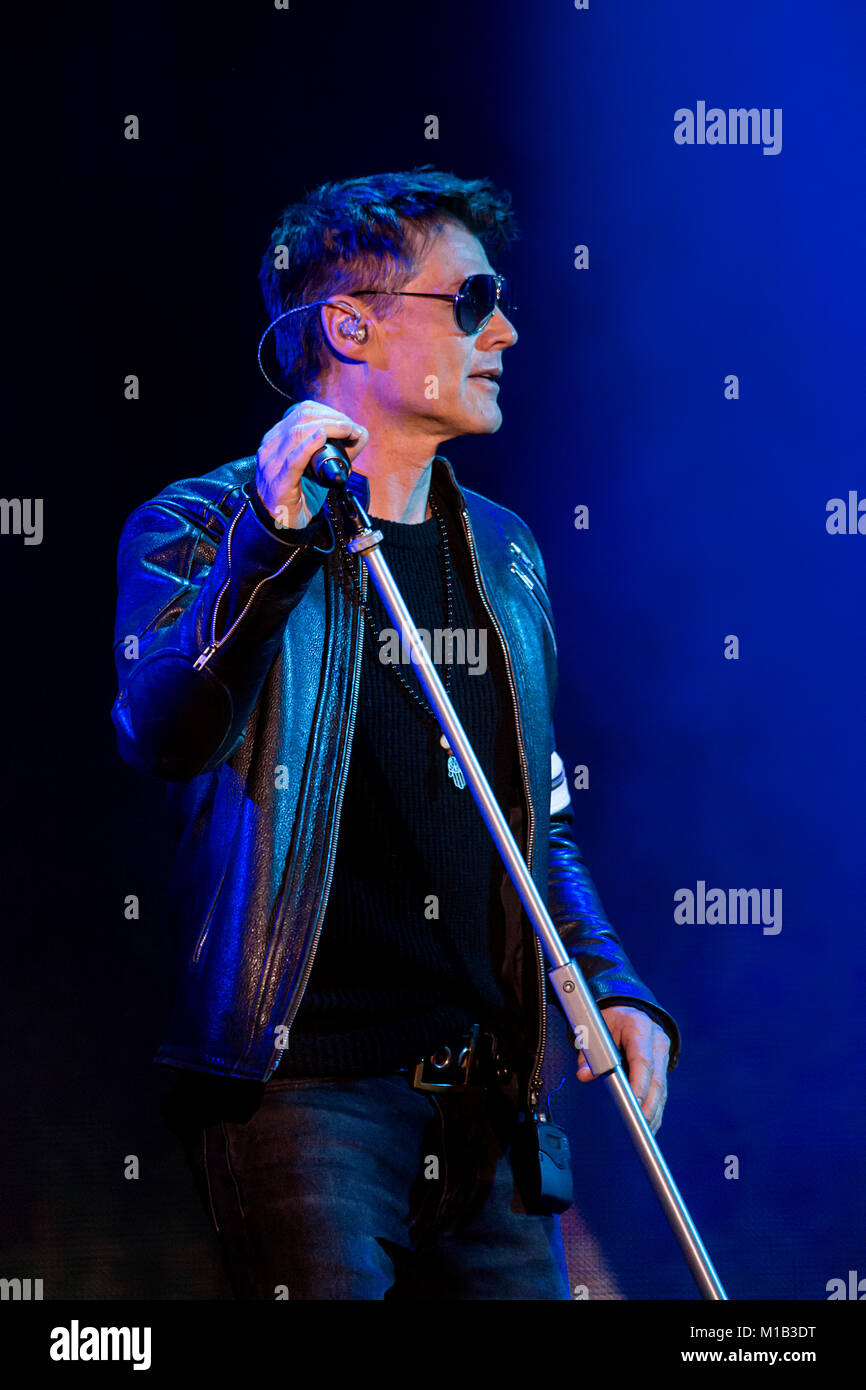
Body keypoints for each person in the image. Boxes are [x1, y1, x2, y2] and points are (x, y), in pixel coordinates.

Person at [111, 166, 680, 1300]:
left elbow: (534, 813)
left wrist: (605, 978)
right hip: (304, 1094)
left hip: (486, 1101)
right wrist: (270, 547)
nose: (505, 331)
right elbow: (165, 730)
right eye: (468, 302)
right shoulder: (199, 522)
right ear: (350, 323)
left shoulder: (506, 552)